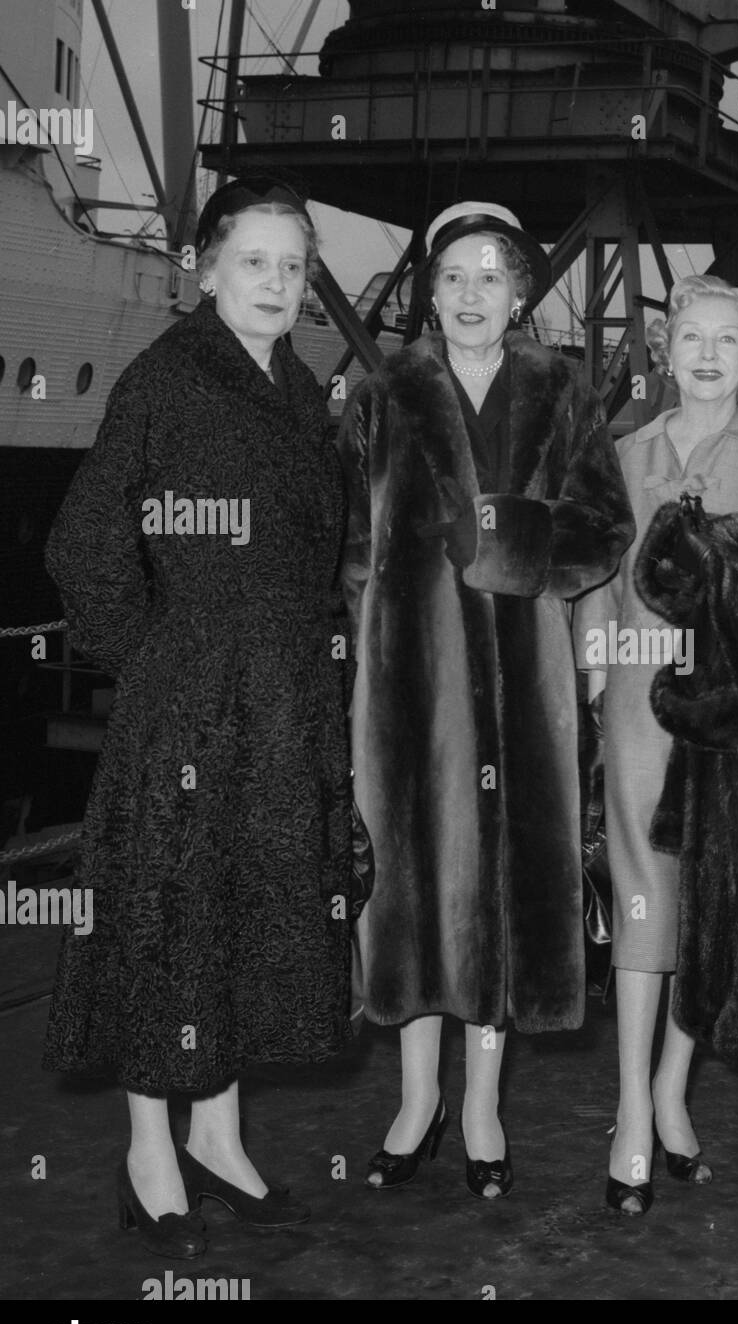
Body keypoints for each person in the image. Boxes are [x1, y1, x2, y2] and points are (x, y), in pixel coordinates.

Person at [43, 179, 353, 1257]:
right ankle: (147, 1154)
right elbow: (84, 544)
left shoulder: (301, 389)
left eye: (293, 263)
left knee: (238, 917)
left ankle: (217, 1136)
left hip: (278, 708)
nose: (277, 282)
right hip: (191, 709)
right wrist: (157, 661)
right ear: (205, 265)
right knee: (163, 921)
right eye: (256, 260)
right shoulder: (166, 380)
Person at [340, 202, 634, 1200]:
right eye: (450, 276)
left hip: (520, 672)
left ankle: (481, 1107)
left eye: (488, 277)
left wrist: (509, 545)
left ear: (519, 293)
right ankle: (415, 1099)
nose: (468, 295)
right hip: (409, 680)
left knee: (505, 878)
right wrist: (370, 644)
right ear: (429, 290)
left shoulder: (561, 390)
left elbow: (602, 528)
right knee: (414, 877)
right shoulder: (387, 390)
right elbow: (349, 544)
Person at [573, 275, 738, 1215]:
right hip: (640, 702)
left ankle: (675, 1091)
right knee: (644, 900)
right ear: (666, 350)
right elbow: (595, 570)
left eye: (730, 341)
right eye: (692, 338)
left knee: (712, 901)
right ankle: (631, 1109)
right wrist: (597, 660)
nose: (709, 355)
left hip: (736, 708)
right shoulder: (622, 453)